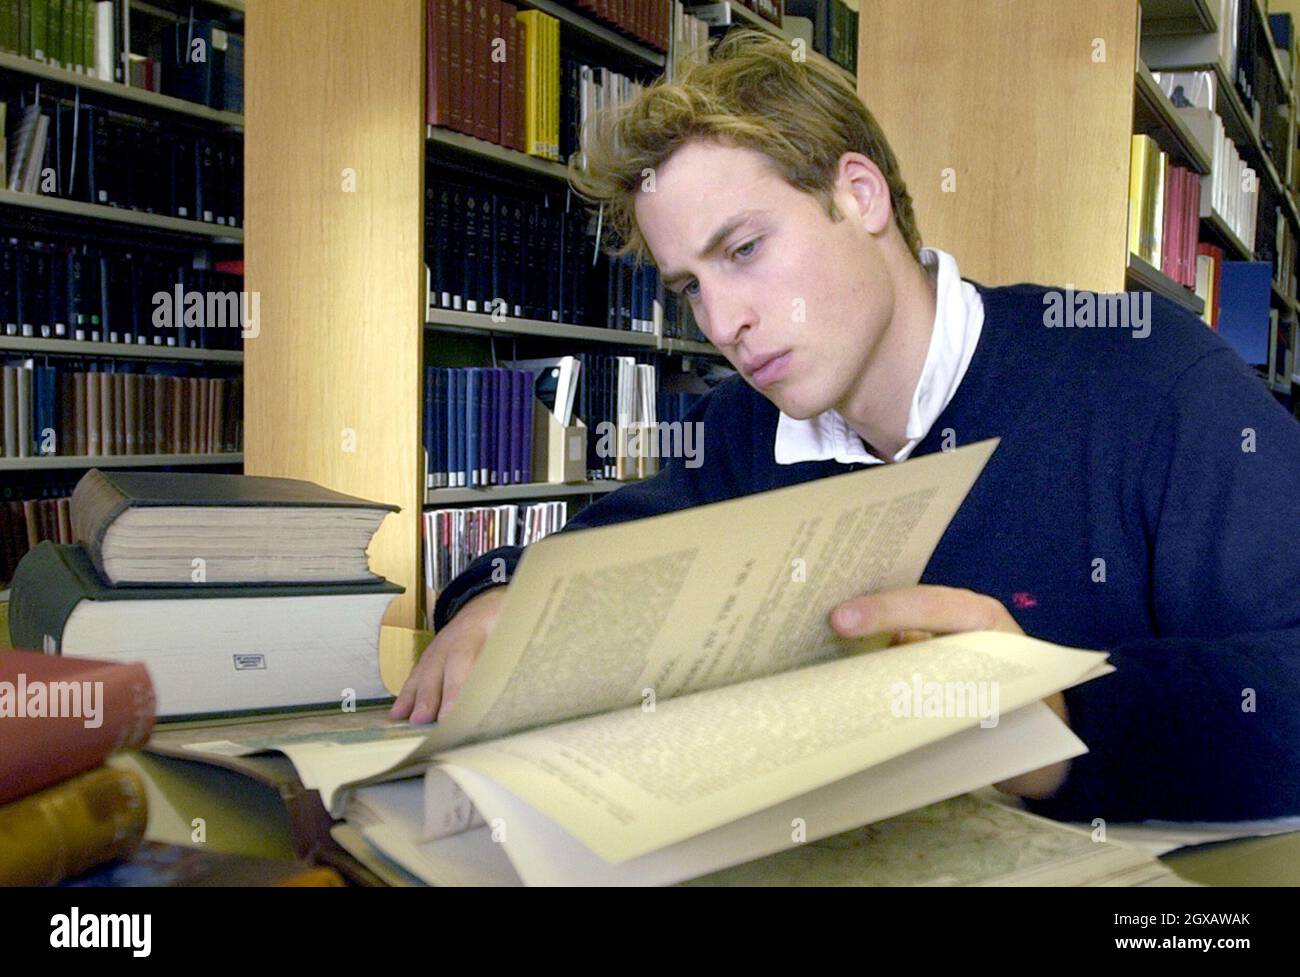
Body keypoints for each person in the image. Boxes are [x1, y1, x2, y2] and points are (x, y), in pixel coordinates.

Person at [392, 30, 1300, 823]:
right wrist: (494, 601)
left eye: (743, 250)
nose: (721, 324)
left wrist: (1058, 720)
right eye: (690, 288)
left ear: (860, 195)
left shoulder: (1147, 376)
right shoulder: (742, 433)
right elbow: (581, 555)